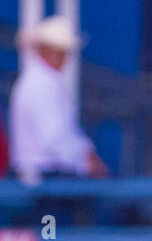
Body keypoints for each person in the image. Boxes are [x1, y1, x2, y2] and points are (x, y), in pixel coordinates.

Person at [8, 15, 108, 185]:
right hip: (44, 179)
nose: (62, 56)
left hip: (44, 177)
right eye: (58, 50)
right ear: (43, 49)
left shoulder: (42, 81)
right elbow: (54, 136)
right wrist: (86, 161)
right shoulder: (41, 84)